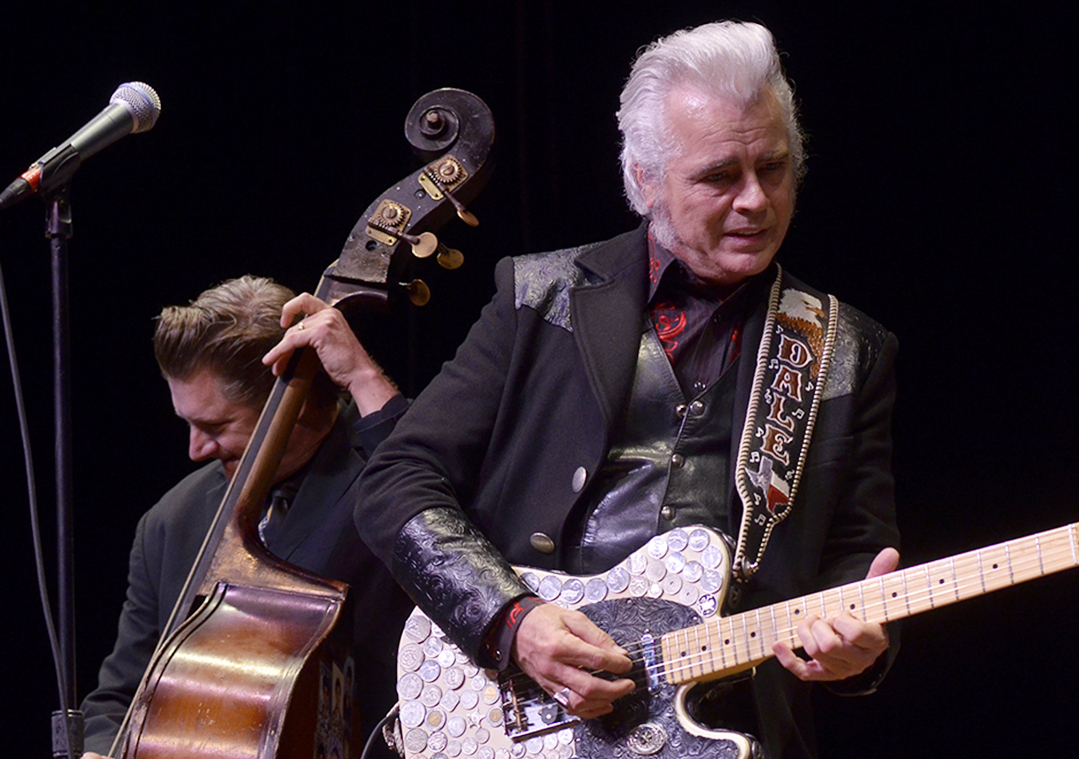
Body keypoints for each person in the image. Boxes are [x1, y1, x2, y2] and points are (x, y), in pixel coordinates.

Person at [357, 20, 901, 759]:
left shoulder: (844, 348)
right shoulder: (537, 296)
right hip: (518, 718)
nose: (755, 201)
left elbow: (857, 568)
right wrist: (512, 620)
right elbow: (396, 481)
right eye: (719, 176)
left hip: (727, 729)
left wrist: (858, 649)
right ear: (644, 179)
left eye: (773, 168)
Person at [79, 276, 412, 758]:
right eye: (187, 424)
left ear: (289, 406)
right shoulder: (170, 522)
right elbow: (119, 696)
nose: (194, 451)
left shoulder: (390, 469)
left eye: (215, 426)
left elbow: (454, 531)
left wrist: (363, 376)